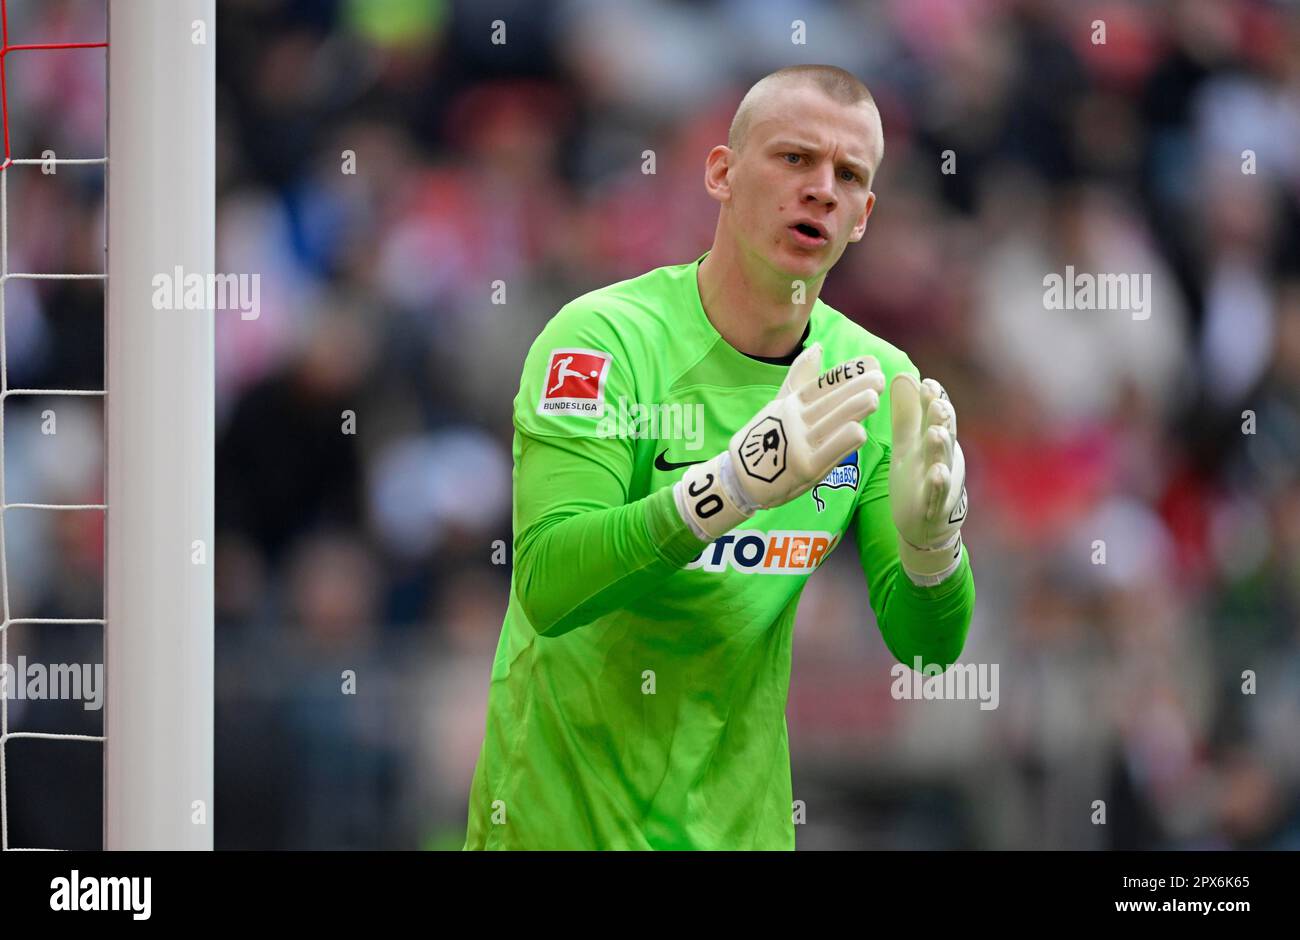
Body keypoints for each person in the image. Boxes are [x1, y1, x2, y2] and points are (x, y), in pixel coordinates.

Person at [464, 64, 975, 850]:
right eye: (794, 158)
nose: (821, 190)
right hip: (555, 829)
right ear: (721, 173)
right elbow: (548, 583)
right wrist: (728, 489)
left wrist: (932, 552)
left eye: (848, 175)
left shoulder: (875, 385)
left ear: (865, 215)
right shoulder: (602, 342)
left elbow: (926, 650)